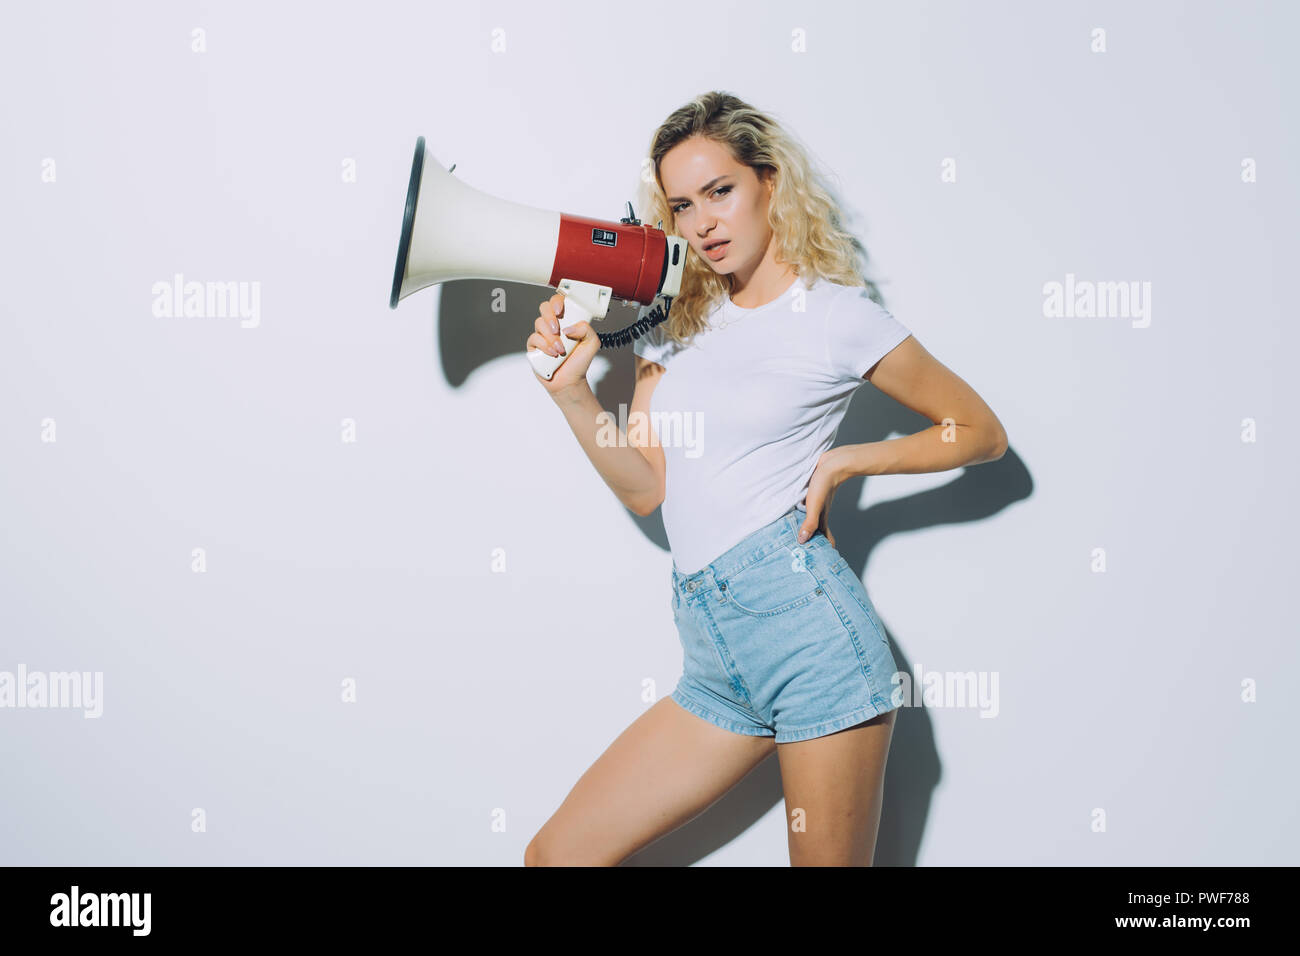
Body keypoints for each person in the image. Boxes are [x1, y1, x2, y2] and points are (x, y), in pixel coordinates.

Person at [522, 91, 1008, 866]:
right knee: (558, 857)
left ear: (769, 184)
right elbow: (649, 489)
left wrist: (849, 459)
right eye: (682, 205)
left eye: (721, 191)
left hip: (810, 639)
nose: (703, 222)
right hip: (716, 657)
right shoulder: (676, 323)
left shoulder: (835, 317)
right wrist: (572, 392)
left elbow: (979, 431)